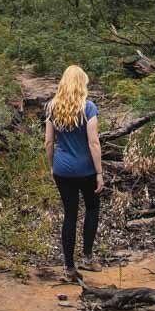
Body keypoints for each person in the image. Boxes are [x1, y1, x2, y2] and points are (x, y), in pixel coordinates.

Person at [44, 64, 104, 279]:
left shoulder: (52, 107)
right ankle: (87, 256)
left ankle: (69, 267)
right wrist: (99, 172)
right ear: (82, 84)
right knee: (92, 208)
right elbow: (94, 143)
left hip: (63, 170)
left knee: (70, 215)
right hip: (86, 170)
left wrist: (52, 166)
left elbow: (49, 142)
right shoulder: (88, 108)